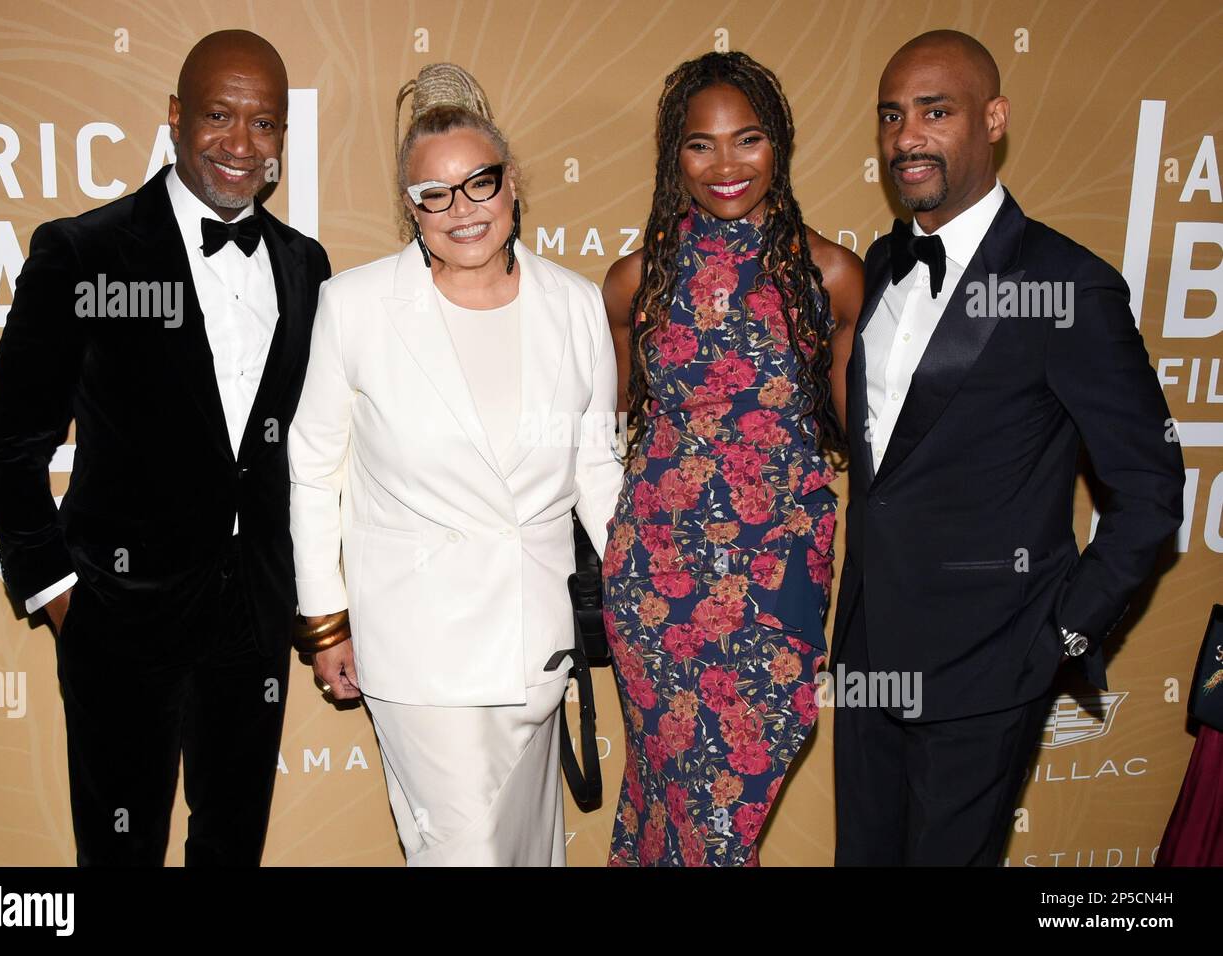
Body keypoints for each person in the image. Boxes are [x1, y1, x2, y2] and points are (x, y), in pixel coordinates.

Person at [0, 30, 331, 866]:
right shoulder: (86, 253)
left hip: (252, 617)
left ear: (283, 136)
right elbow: (9, 437)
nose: (240, 144)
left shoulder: (306, 266)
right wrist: (59, 592)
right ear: (175, 117)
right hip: (119, 616)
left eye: (264, 123)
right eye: (217, 114)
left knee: (231, 844)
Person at [830, 30, 1186, 865]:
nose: (906, 136)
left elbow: (1150, 491)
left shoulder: (1069, 284)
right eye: (891, 116)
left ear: (993, 119)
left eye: (935, 111)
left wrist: (1062, 634)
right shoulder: (883, 262)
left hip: (989, 669)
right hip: (870, 655)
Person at [287, 63, 623, 867]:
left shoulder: (573, 303)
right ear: (412, 209)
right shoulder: (358, 306)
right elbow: (311, 469)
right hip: (419, 647)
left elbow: (597, 469)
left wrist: (644, 603)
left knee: (530, 850)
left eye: (479, 184)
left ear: (513, 186)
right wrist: (325, 619)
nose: (461, 210)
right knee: (464, 853)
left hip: (536, 642)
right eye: (434, 194)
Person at [599, 51, 863, 866]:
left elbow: (864, 440)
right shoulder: (634, 283)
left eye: (747, 140)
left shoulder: (833, 278)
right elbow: (613, 434)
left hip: (779, 579)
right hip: (657, 579)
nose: (725, 166)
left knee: (726, 807)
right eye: (700, 145)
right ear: (672, 156)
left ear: (778, 145)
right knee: (685, 810)